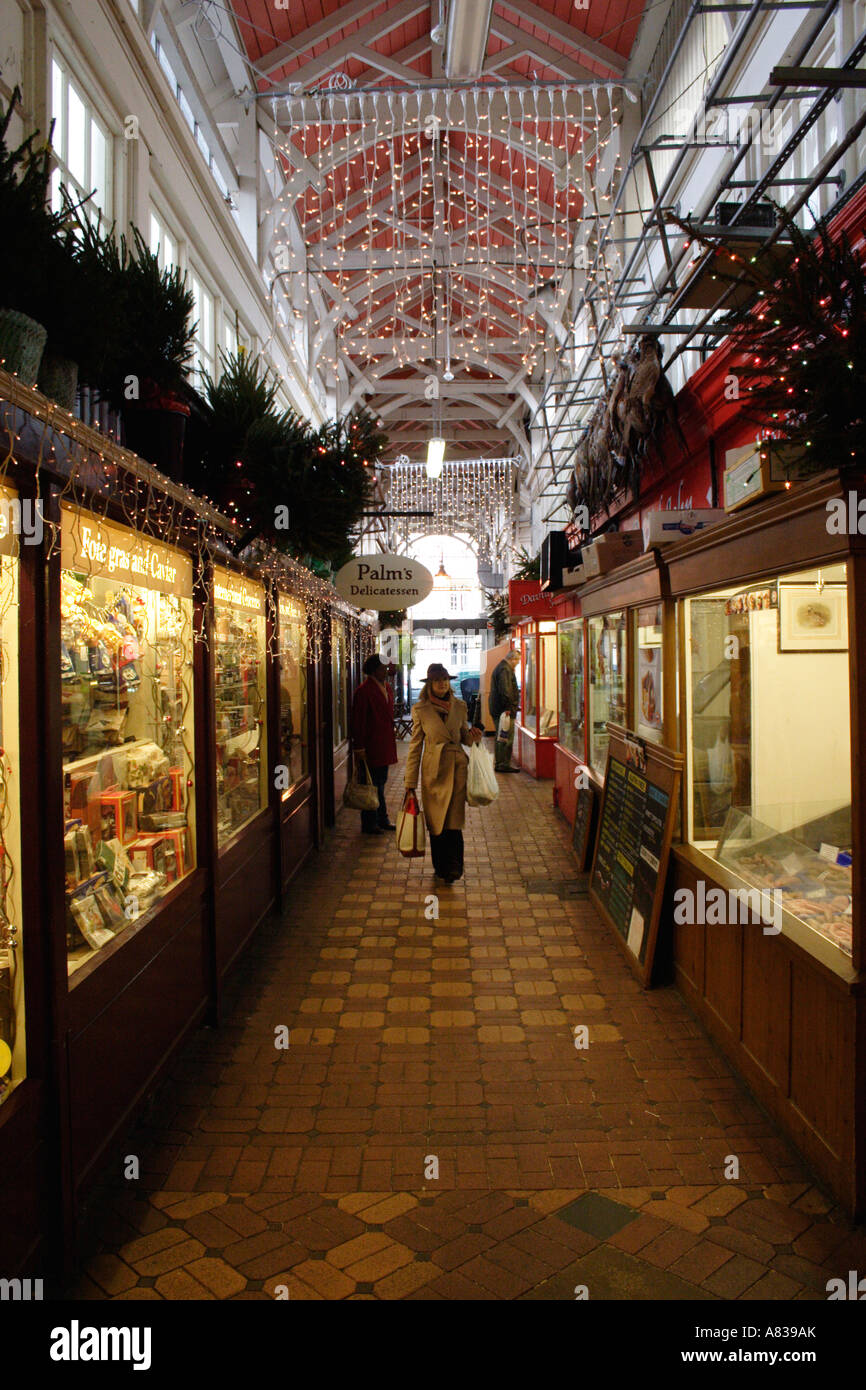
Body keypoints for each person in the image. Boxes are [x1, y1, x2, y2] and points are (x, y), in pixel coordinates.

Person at [404, 663, 483, 883]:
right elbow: (415, 746)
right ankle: (440, 867)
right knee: (436, 823)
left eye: (446, 680)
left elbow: (463, 737)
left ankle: (455, 867)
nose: (443, 684)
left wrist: (474, 736)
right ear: (430, 684)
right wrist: (410, 783)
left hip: (457, 768)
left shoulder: (460, 706)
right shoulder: (421, 709)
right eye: (438, 680)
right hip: (433, 771)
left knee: (454, 821)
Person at [351, 653, 398, 834]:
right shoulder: (363, 691)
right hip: (371, 745)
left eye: (386, 668)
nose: (386, 671)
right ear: (373, 670)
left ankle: (381, 818)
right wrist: (359, 747)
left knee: (380, 782)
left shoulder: (386, 687)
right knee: (371, 785)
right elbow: (358, 722)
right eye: (382, 668)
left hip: (384, 743)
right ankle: (370, 822)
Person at [489, 648, 520, 772]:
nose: (517, 664)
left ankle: (501, 763)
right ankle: (502, 764)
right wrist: (508, 708)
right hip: (503, 710)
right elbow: (505, 690)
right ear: (512, 659)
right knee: (505, 737)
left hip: (498, 708)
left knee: (501, 736)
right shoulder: (505, 669)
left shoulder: (502, 667)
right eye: (517, 661)